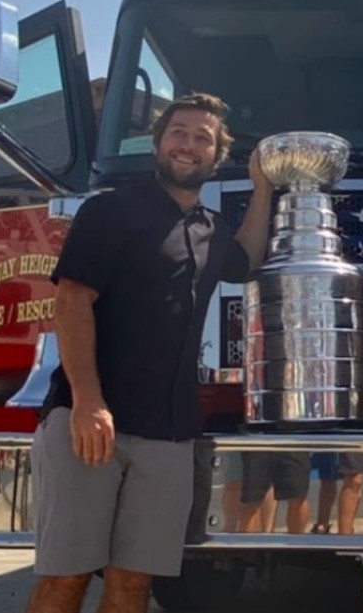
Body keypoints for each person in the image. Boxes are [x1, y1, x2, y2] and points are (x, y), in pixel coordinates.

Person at [24, 92, 274, 613]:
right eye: (178, 132)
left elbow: (246, 259)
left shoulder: (208, 229)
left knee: (134, 582)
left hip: (170, 435)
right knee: (65, 580)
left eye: (202, 138)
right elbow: (71, 300)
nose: (188, 145)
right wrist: (89, 402)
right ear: (158, 142)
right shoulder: (110, 210)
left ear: (216, 155)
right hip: (91, 426)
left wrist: (263, 187)